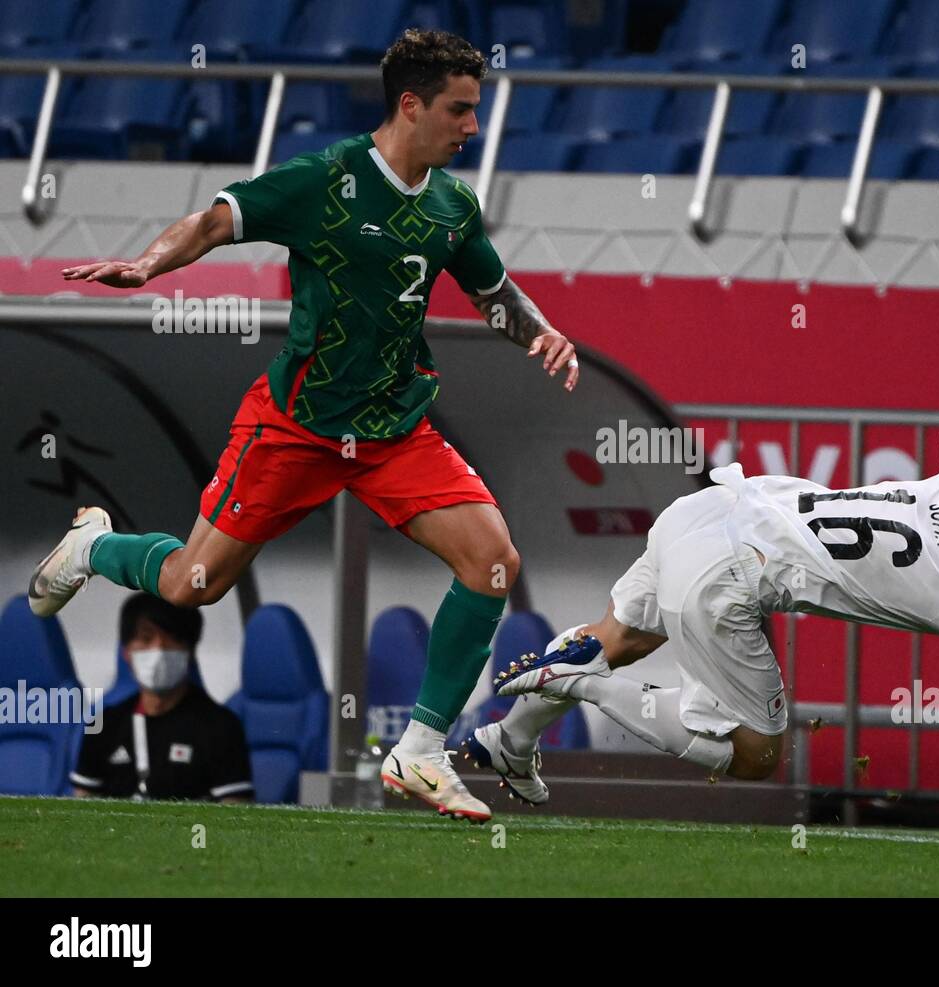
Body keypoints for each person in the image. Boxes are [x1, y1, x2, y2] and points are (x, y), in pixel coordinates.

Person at [30, 30, 578, 823]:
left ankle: (420, 751)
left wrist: (541, 331)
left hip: (394, 429)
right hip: (297, 428)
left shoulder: (454, 205)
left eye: (476, 110)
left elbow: (495, 292)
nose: (472, 127)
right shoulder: (327, 179)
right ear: (411, 104)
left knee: (492, 560)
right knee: (193, 584)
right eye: (460, 110)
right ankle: (93, 546)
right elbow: (215, 221)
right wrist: (150, 264)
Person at [473, 461, 939, 843]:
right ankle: (585, 686)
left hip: (710, 508)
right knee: (757, 752)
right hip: (733, 571)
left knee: (622, 635)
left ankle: (510, 738)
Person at [72, 594, 253, 802]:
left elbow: (236, 817)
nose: (159, 650)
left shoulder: (221, 727)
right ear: (126, 652)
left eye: (173, 639)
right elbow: (82, 810)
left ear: (190, 651)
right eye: (146, 638)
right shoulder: (103, 726)